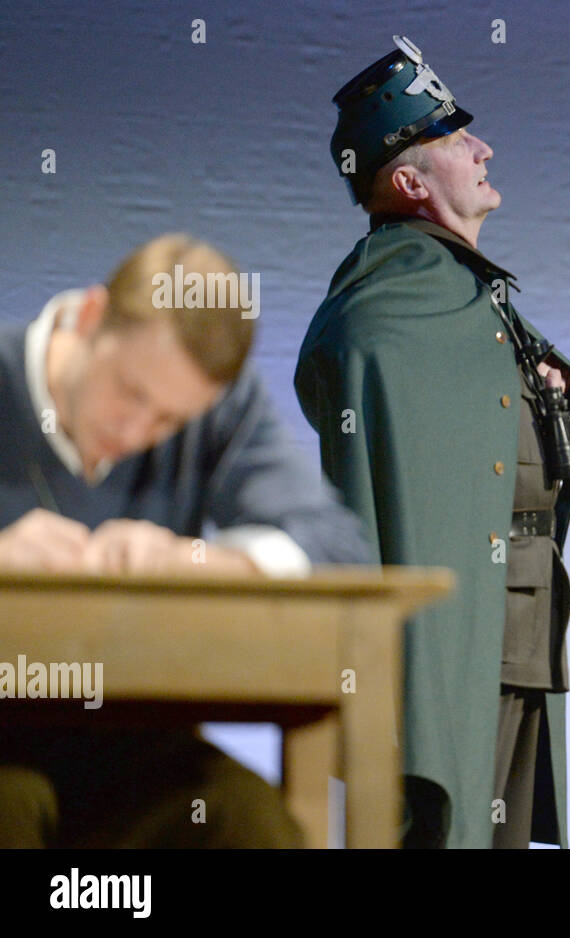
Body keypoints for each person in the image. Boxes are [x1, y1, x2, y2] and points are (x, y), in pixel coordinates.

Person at [296, 36, 570, 849]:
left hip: (524, 625)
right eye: (458, 139)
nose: (483, 147)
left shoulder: (467, 292)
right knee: (443, 827)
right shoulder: (383, 305)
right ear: (410, 181)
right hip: (459, 636)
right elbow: (357, 388)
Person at [0, 233, 374, 848]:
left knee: (250, 823)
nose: (138, 430)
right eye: (129, 391)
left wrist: (200, 561)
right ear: (92, 317)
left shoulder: (223, 409)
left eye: (170, 420)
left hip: (133, 748)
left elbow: (335, 545)